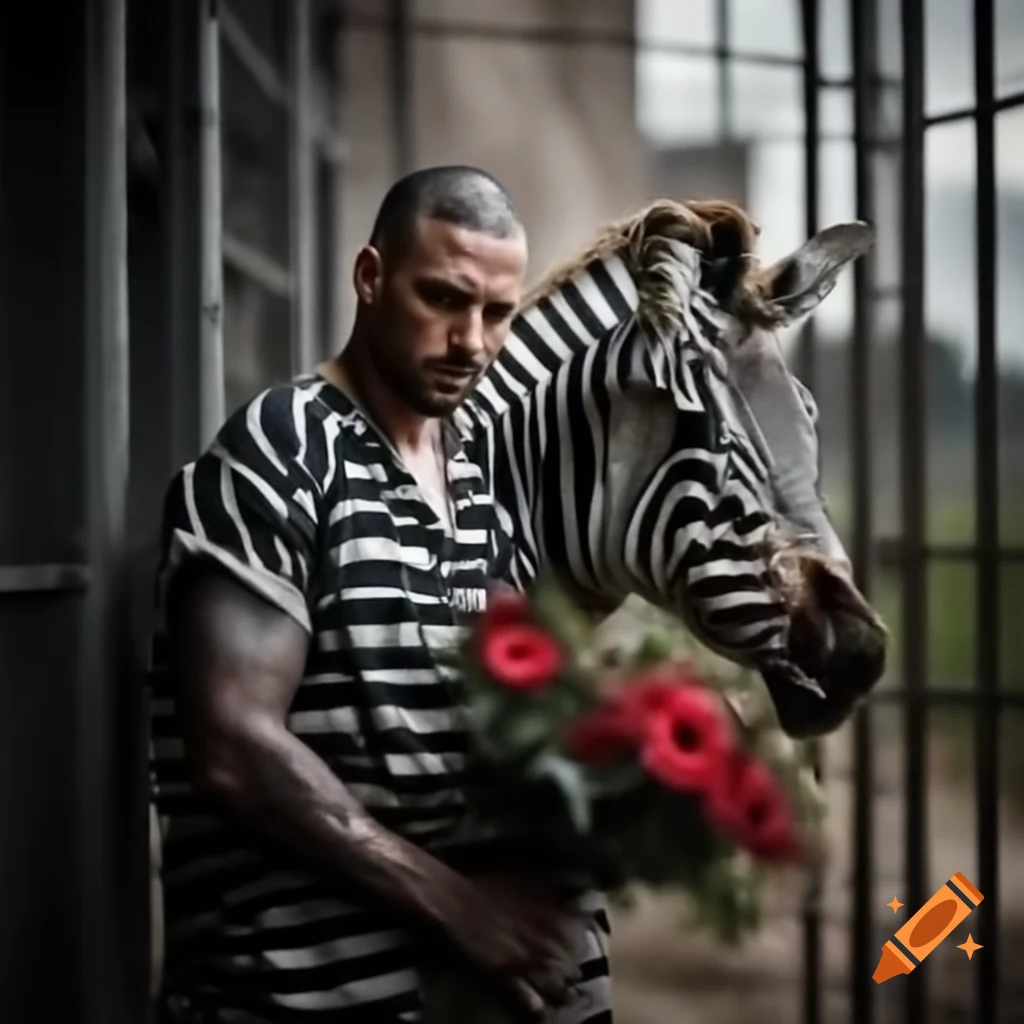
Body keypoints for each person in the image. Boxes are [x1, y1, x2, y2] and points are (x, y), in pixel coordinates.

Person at [149, 165, 612, 1023]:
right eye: (444, 298)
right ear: (370, 278)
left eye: (497, 313)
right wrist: (460, 906)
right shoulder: (279, 452)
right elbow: (233, 748)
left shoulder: (474, 476)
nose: (471, 340)